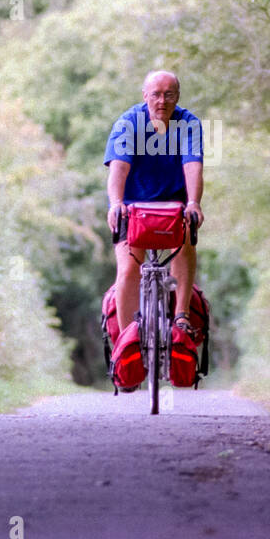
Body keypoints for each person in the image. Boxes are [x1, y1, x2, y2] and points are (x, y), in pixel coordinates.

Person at [104, 70, 204, 339]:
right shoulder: (128, 123)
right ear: (145, 96)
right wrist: (115, 203)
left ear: (178, 97)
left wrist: (194, 202)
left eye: (169, 95)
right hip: (132, 207)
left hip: (173, 207)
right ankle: (125, 342)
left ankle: (181, 316)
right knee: (127, 268)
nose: (162, 101)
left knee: (185, 244)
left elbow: (193, 166)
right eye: (156, 95)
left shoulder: (189, 124)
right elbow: (119, 169)